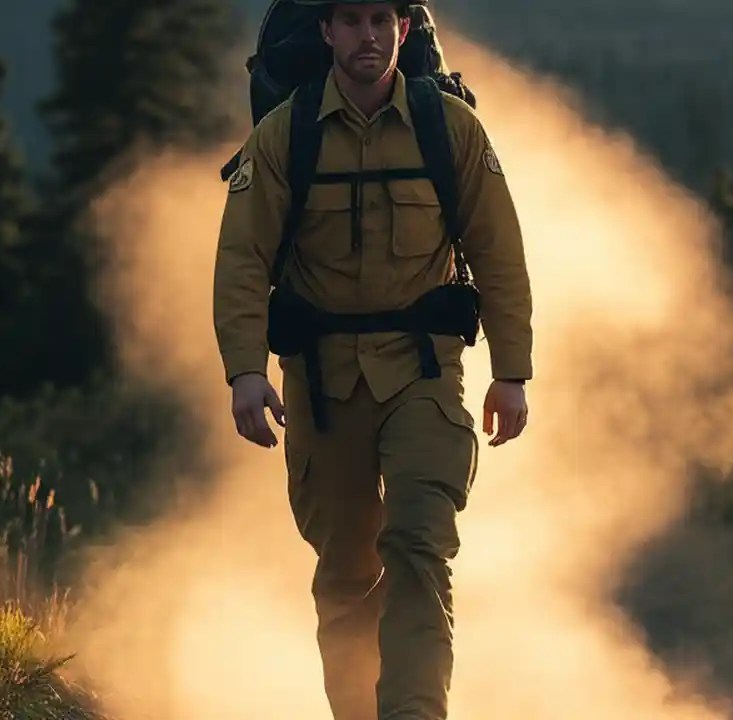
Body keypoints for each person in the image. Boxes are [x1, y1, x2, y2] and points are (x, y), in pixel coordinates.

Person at [212, 1, 533, 718]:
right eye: (351, 21)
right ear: (326, 31)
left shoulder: (449, 128)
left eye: (380, 21)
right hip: (323, 383)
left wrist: (512, 371)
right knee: (347, 573)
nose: (367, 37)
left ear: (404, 30)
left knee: (419, 546)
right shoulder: (284, 135)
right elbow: (242, 262)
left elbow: (498, 253)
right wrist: (244, 371)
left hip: (423, 372)